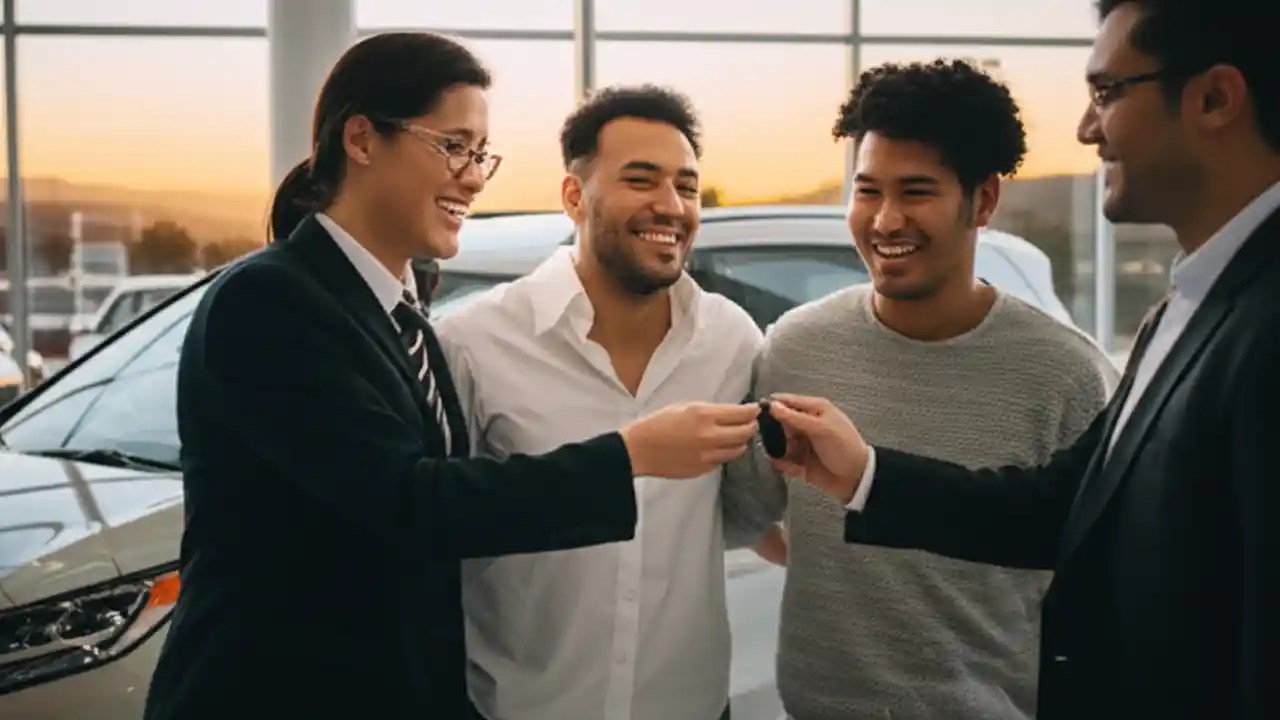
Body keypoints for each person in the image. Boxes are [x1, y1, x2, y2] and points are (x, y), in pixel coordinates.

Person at [142, 34, 761, 720]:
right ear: (362, 139)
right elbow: (406, 503)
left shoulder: (403, 307)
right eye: (454, 146)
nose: (472, 175)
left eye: (480, 155)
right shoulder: (269, 301)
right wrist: (632, 456)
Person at [761, 1, 1280, 718]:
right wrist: (865, 474)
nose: (1086, 128)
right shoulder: (1185, 308)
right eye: (867, 190)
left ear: (1215, 98)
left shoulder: (1251, 321)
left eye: (1107, 92)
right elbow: (1059, 509)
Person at [720, 59, 1119, 720]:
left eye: (916, 191)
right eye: (867, 190)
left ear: (983, 200)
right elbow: (751, 512)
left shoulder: (1067, 375)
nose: (884, 219)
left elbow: (1100, 585)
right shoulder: (796, 345)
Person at [434, 85, 761, 720]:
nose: (670, 206)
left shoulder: (733, 341)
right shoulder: (474, 343)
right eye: (642, 180)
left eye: (687, 187)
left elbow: (752, 509)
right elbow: (438, 524)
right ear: (574, 197)